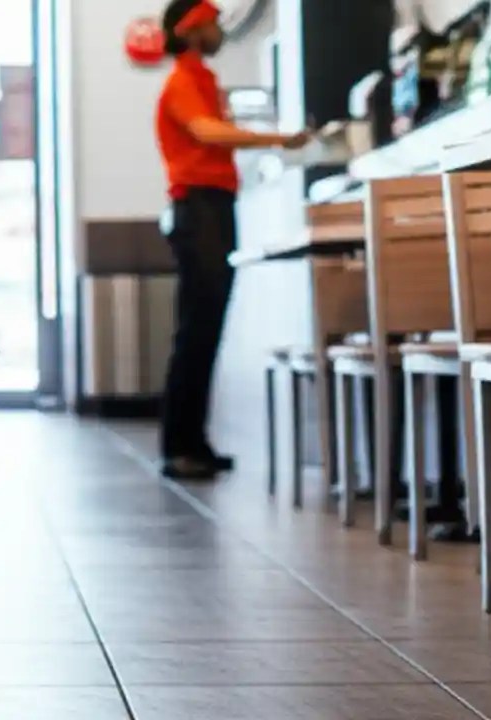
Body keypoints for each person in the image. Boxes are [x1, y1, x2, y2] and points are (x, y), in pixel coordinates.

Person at [156, 0, 311, 479]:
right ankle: (179, 447)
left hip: (213, 209)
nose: (220, 30)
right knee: (196, 332)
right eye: (213, 23)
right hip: (198, 211)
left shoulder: (200, 79)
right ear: (192, 29)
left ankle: (194, 443)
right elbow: (207, 131)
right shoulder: (182, 80)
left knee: (206, 331)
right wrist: (278, 140)